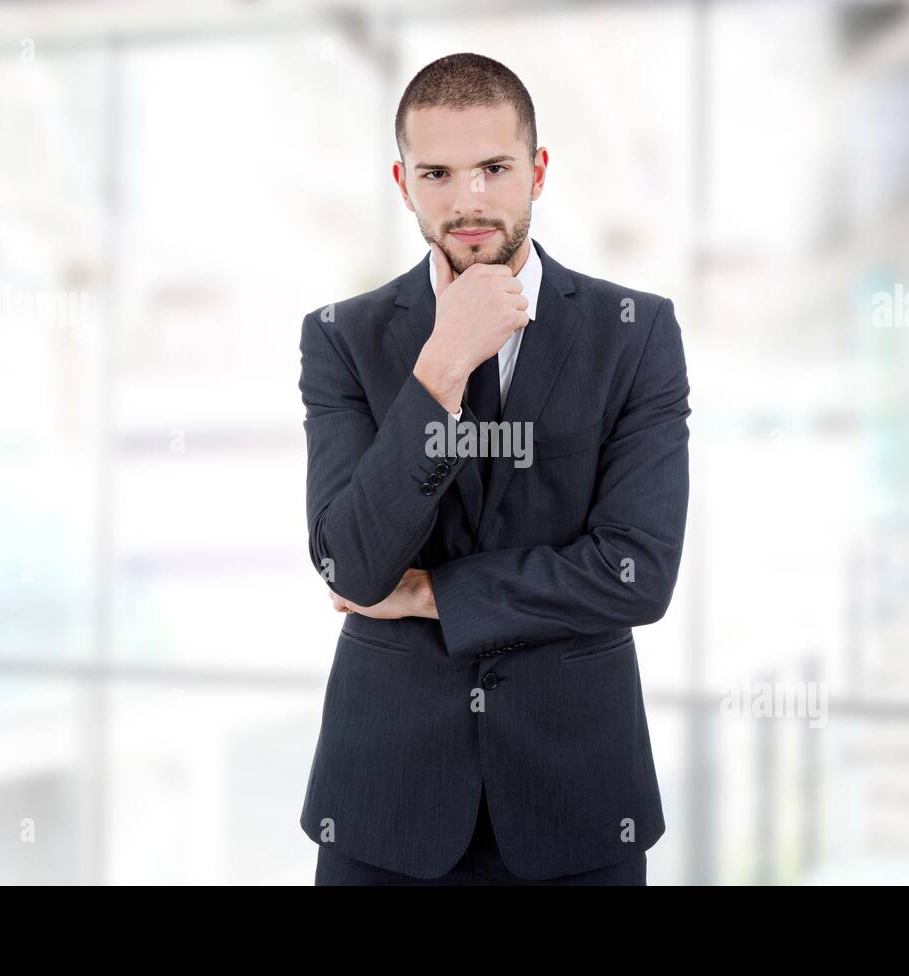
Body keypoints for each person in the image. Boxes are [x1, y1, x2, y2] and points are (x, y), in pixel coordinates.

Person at [298, 52, 690, 885]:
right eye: (437, 172)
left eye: (494, 169)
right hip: (383, 805)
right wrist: (441, 365)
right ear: (403, 182)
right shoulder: (341, 338)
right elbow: (351, 563)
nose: (468, 199)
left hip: (576, 802)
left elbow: (637, 574)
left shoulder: (635, 334)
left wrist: (433, 593)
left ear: (537, 170)